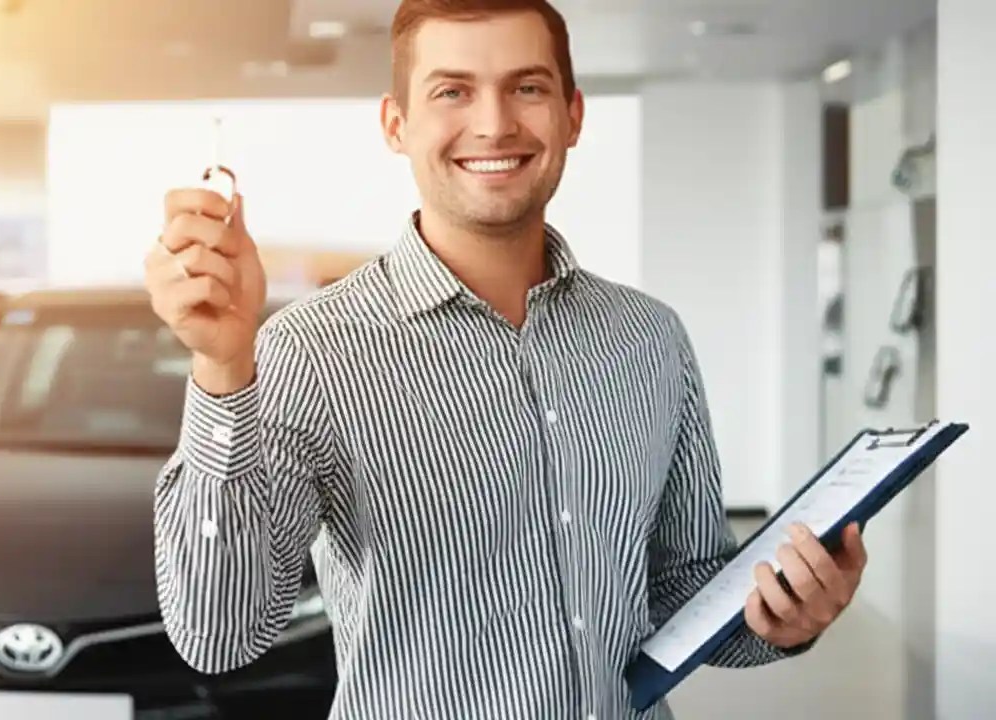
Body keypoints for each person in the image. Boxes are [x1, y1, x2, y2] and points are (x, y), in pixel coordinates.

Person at [146, 0, 869, 717]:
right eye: (452, 91)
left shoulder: (650, 338)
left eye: (527, 87)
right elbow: (219, 636)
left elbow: (682, 588)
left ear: (572, 115)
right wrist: (221, 366)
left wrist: (784, 617)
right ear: (397, 125)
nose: (494, 124)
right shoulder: (312, 349)